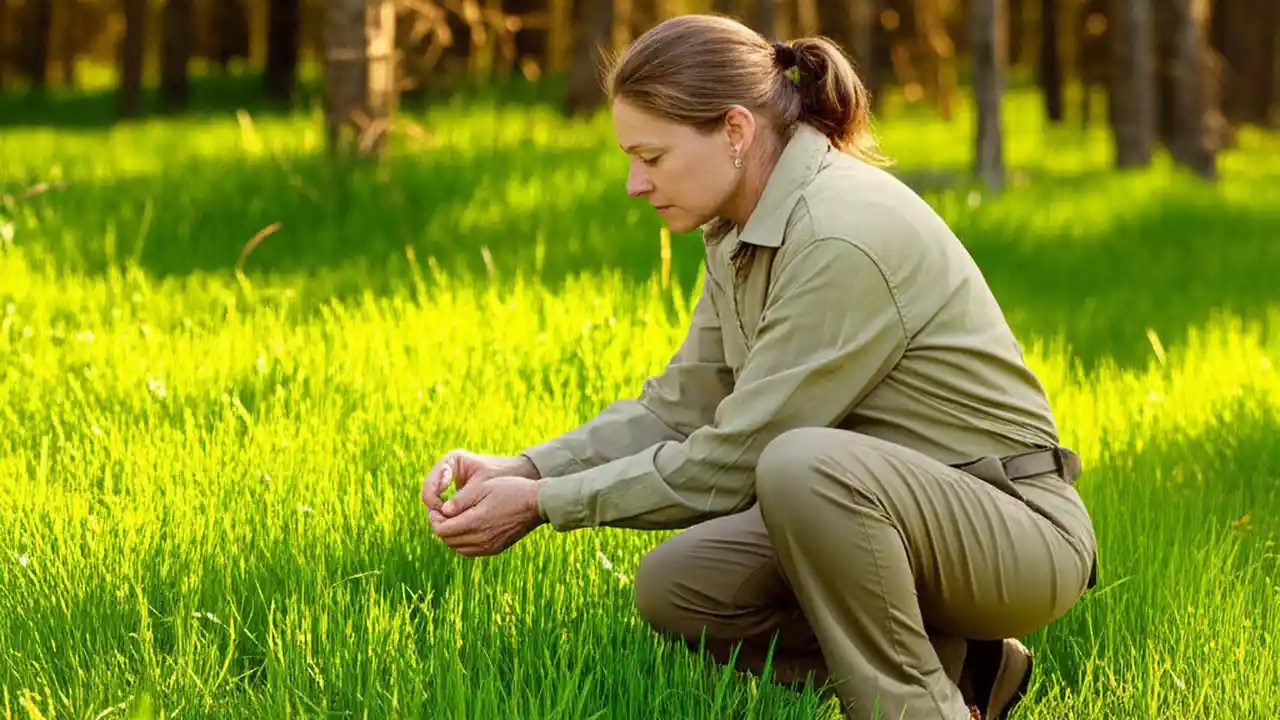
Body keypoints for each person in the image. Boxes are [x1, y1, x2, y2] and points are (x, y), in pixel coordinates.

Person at [422, 13, 1098, 720]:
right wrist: (528, 469)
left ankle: (919, 710)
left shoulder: (841, 234)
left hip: (1016, 535)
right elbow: (677, 408)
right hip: (894, 519)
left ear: (736, 132)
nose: (633, 183)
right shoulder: (739, 229)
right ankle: (970, 670)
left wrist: (542, 507)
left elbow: (732, 463)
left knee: (797, 464)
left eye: (651, 157)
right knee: (680, 585)